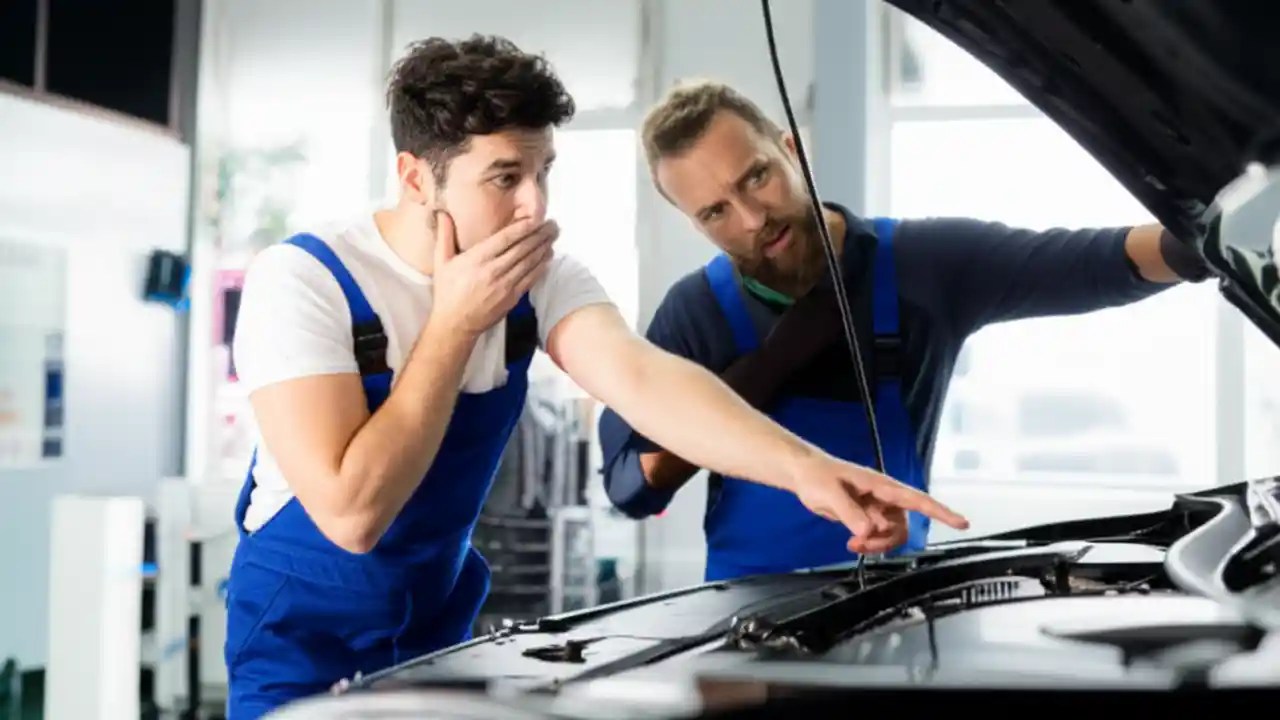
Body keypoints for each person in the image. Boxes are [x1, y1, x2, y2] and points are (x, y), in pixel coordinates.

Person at [223, 37, 968, 718]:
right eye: (504, 177)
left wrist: (805, 468)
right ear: (418, 178)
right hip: (298, 641)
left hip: (433, 632)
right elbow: (352, 514)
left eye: (544, 171)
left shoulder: (537, 277)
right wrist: (453, 325)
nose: (535, 205)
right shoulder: (304, 281)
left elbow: (647, 381)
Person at [597, 79, 1213, 584]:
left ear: (792, 149)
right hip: (740, 619)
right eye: (715, 212)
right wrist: (771, 365)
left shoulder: (921, 265)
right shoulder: (695, 313)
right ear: (692, 223)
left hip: (894, 598)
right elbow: (631, 486)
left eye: (756, 177)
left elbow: (1087, 262)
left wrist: (1208, 241)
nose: (753, 218)